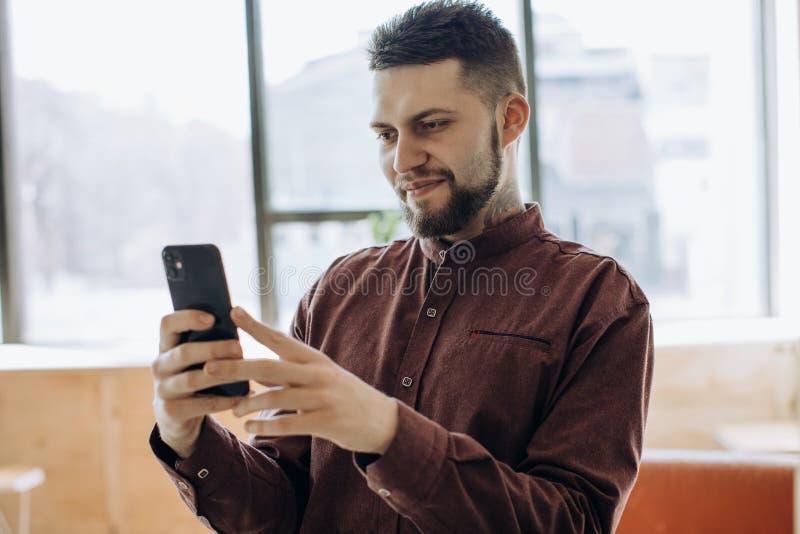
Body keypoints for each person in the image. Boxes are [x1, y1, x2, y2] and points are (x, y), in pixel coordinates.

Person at [148, 1, 654, 532]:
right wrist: (187, 436)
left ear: (510, 119)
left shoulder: (599, 302)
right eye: (386, 135)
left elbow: (574, 522)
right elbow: (279, 515)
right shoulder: (336, 292)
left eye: (431, 125)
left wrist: (387, 434)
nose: (402, 160)